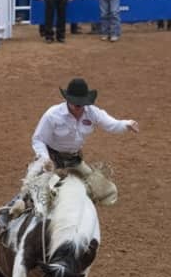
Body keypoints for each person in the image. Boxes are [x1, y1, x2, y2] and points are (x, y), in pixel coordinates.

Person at [26, 78, 140, 206]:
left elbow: (112, 124)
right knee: (34, 194)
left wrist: (127, 124)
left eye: (82, 104)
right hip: (51, 161)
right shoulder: (52, 115)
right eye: (76, 104)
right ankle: (15, 211)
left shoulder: (92, 112)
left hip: (74, 161)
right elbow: (38, 139)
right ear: (67, 100)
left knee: (107, 192)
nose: (79, 107)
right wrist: (45, 160)